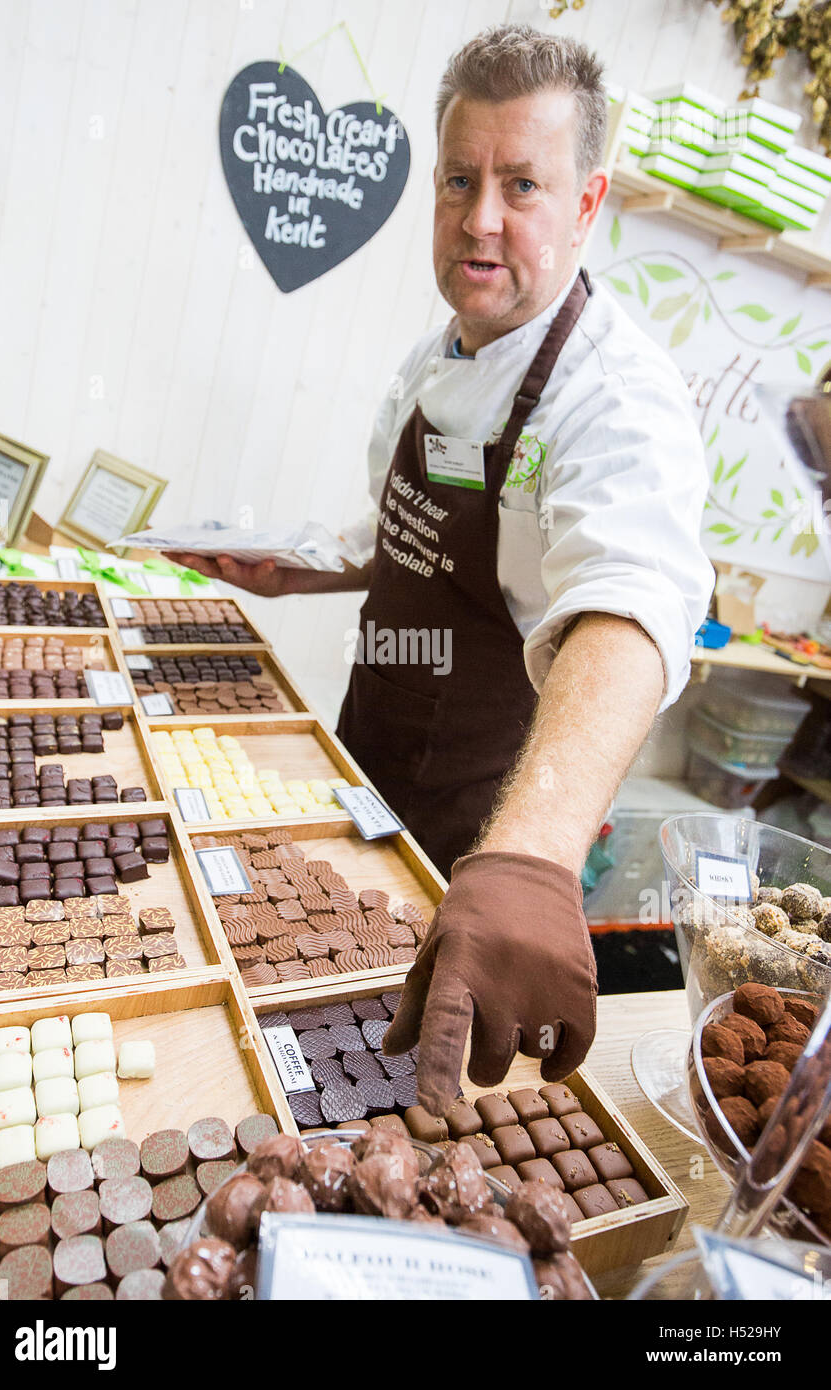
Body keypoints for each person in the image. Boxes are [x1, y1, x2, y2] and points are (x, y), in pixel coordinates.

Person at [169, 25, 715, 1115]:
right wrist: (302, 572)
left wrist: (527, 861)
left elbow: (631, 605)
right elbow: (403, 534)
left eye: (522, 184)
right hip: (367, 743)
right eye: (460, 179)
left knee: (408, 1097)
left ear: (587, 203)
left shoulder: (618, 399)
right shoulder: (436, 358)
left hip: (488, 814)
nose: (480, 219)